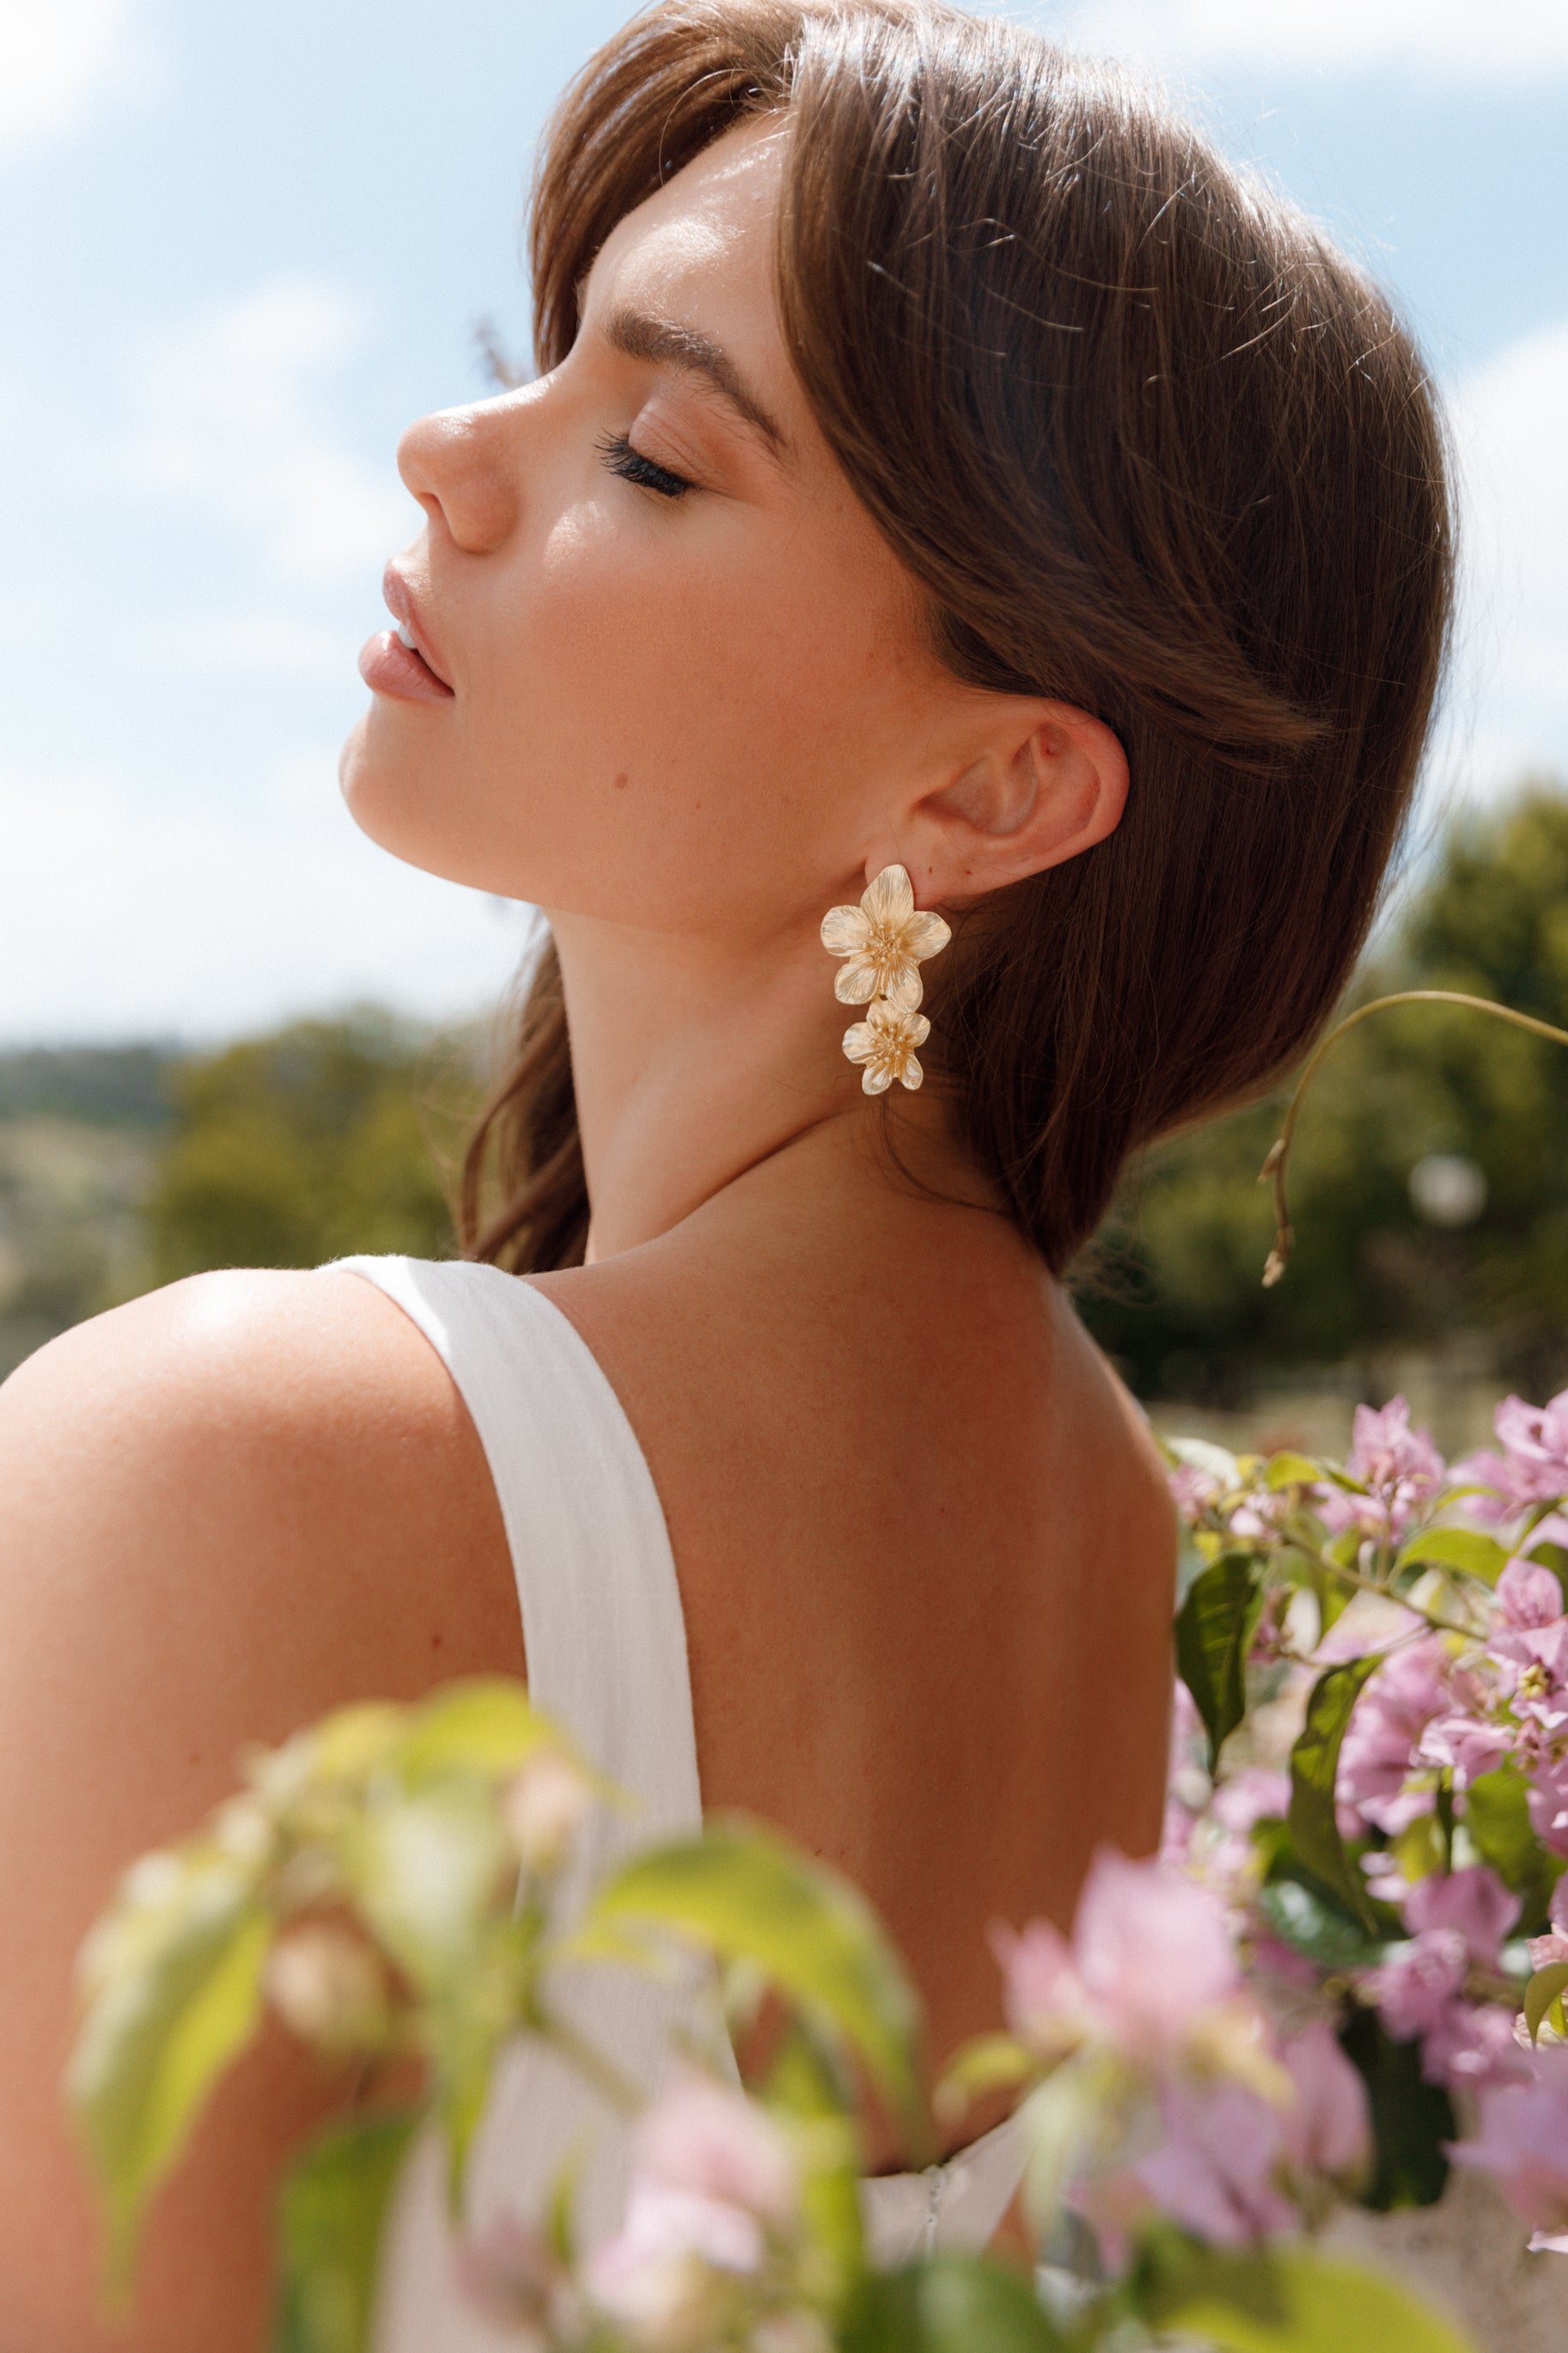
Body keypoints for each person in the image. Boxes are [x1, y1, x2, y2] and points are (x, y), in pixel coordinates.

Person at [0, 2, 1454, 2344]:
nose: (447, 450)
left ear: (986, 793)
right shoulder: (1138, 1560)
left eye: (655, 453)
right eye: (540, 359)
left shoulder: (236, 1454)